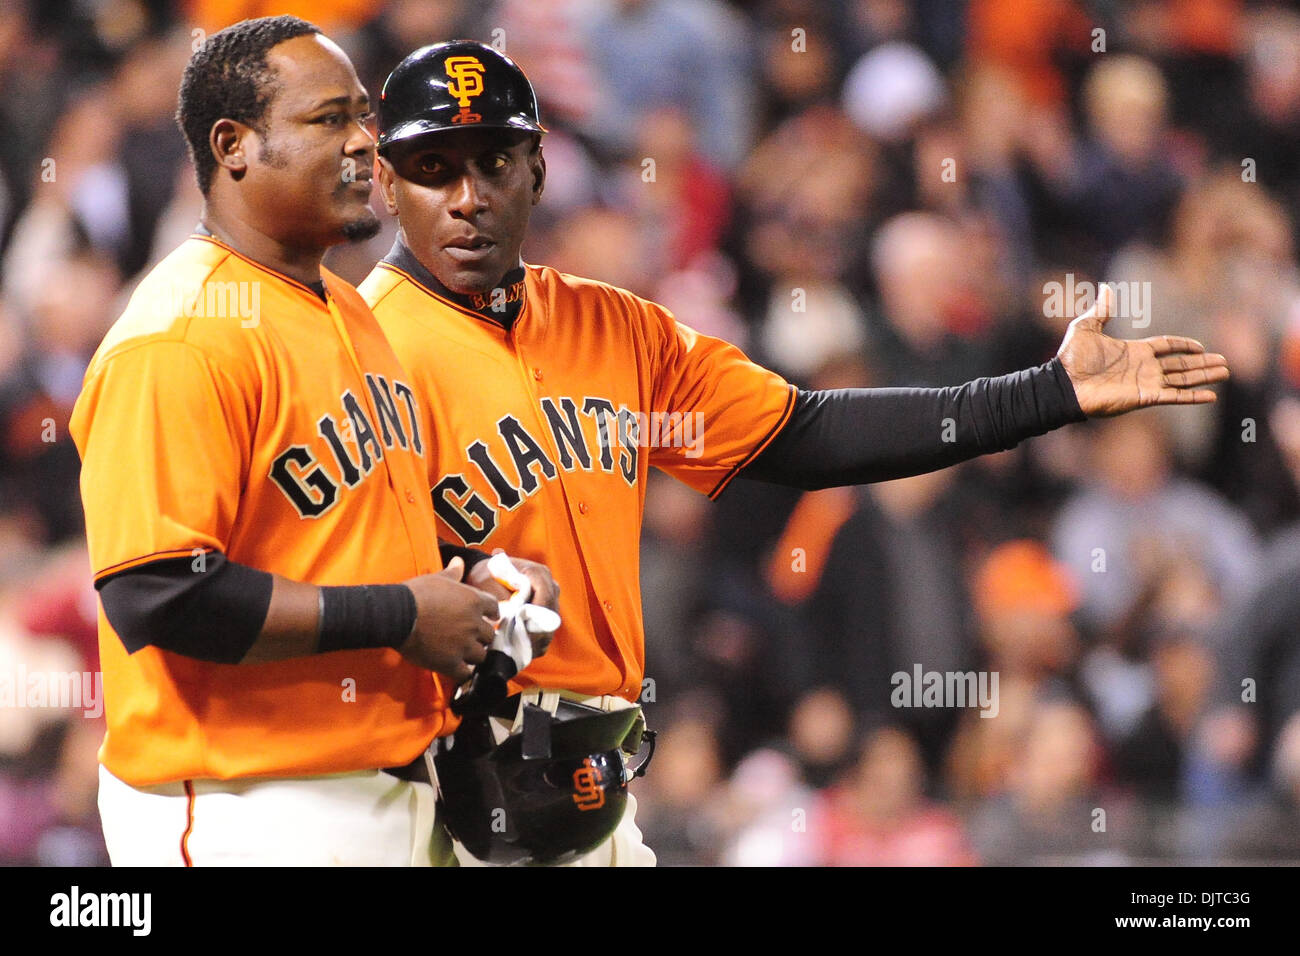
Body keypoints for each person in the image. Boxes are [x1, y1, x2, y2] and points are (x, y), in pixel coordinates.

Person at [361, 41, 1230, 866]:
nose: (469, 194)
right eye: (435, 167)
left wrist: (1047, 393)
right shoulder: (356, 348)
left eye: (495, 162)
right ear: (387, 183)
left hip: (590, 759)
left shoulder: (612, 325)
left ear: (539, 169)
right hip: (433, 771)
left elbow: (803, 431)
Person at [69, 17, 554, 867]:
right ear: (234, 146)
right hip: (244, 807)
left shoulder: (347, 307)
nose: (368, 143)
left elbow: (342, 529)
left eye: (365, 116)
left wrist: (474, 571)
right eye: (330, 119)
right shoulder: (178, 335)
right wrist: (405, 614)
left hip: (384, 785)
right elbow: (156, 594)